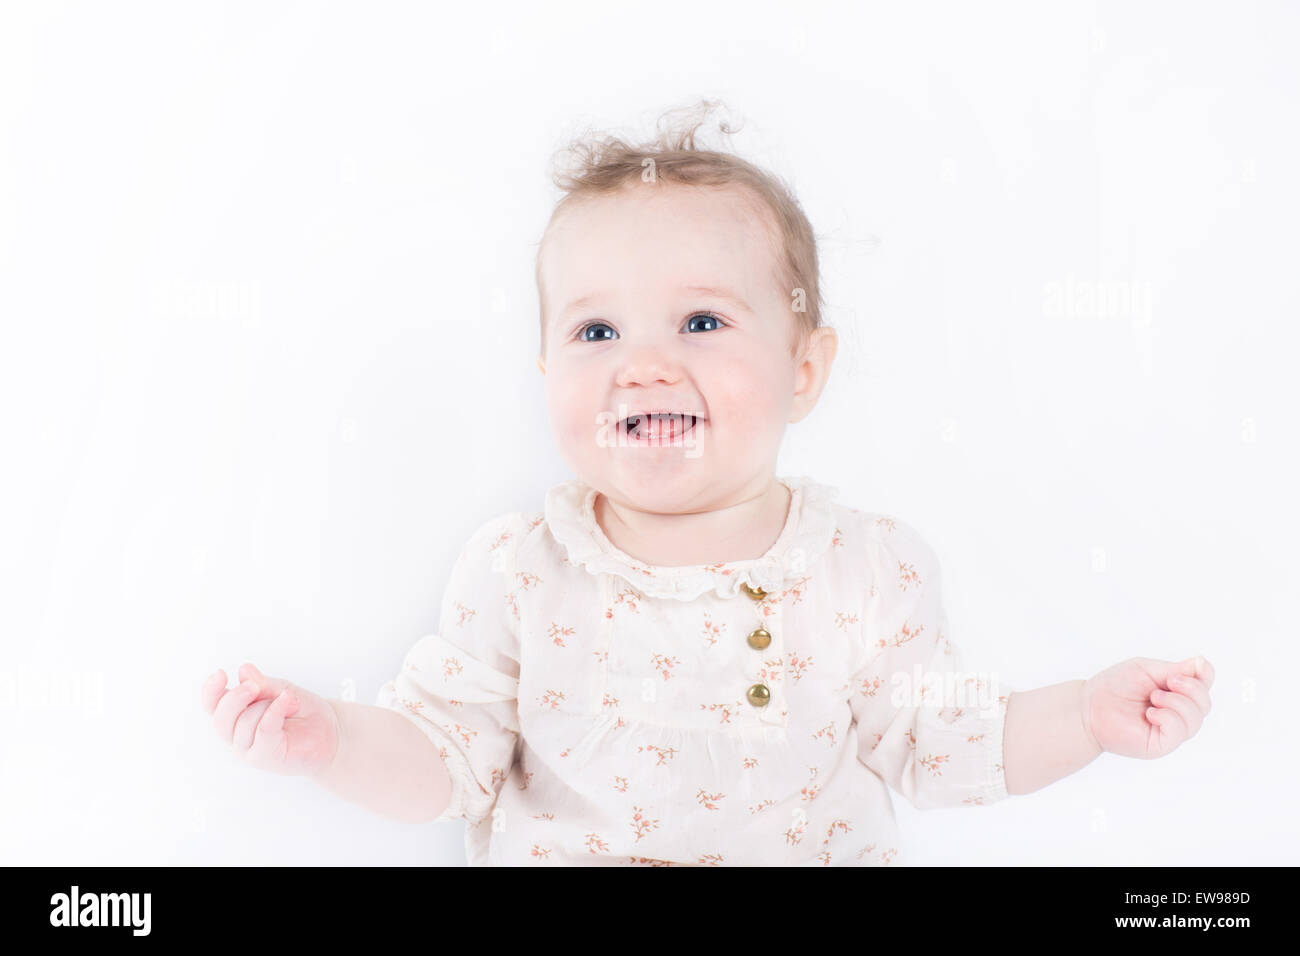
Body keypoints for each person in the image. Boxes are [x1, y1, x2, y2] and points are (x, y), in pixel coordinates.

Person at [200, 100, 1214, 865]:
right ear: (548, 374)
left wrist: (1083, 715)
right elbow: (440, 760)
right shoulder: (520, 571)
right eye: (596, 331)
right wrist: (328, 737)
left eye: (700, 321)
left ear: (803, 368)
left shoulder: (862, 568)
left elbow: (945, 739)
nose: (641, 363)